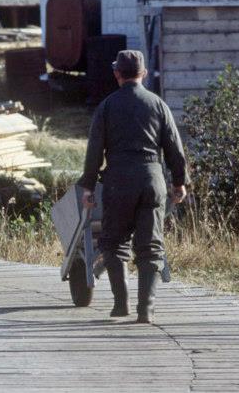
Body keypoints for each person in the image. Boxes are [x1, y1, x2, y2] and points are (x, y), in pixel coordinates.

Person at [77, 50, 189, 324]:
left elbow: (94, 152)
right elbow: (175, 147)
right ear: (144, 74)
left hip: (118, 180)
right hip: (152, 178)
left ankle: (121, 304)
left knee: (113, 243)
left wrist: (88, 186)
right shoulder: (158, 104)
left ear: (117, 74)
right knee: (150, 245)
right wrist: (179, 182)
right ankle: (146, 310)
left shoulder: (107, 106)